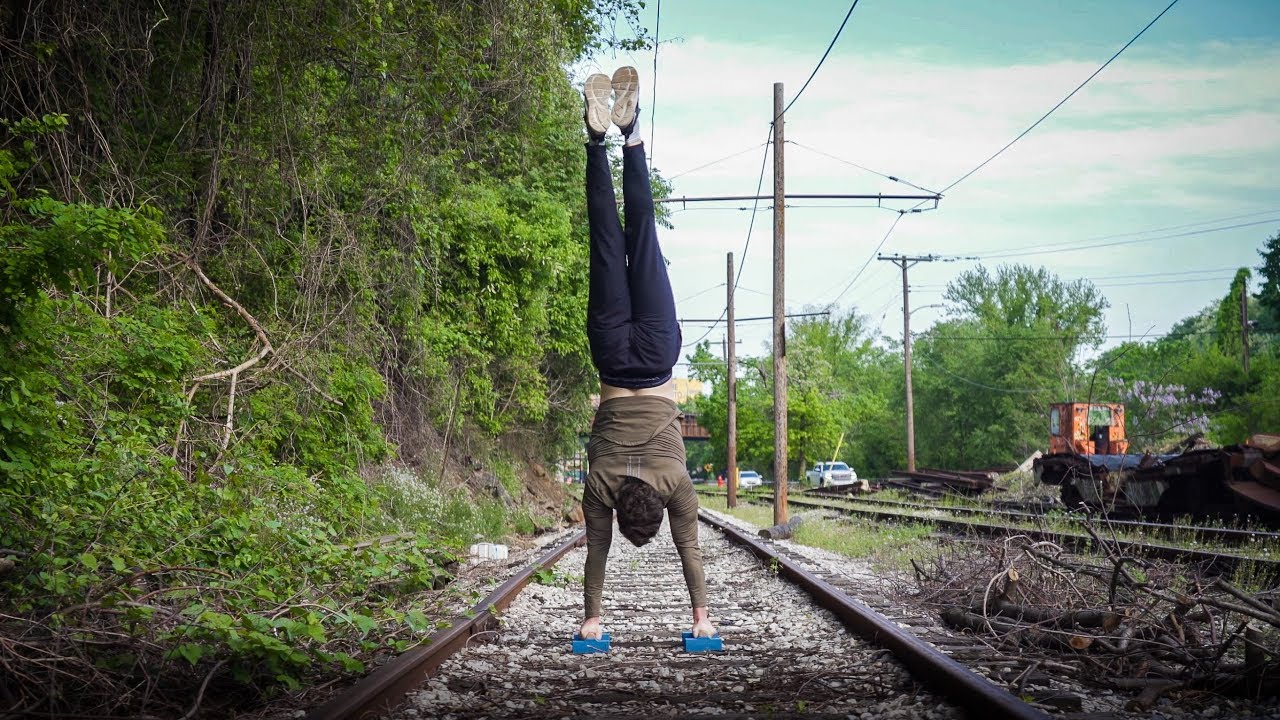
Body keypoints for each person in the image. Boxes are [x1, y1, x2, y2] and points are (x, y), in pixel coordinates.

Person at [577, 66, 716, 643]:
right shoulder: (599, 485)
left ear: (655, 503)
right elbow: (596, 557)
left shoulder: (676, 482)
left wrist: (703, 617)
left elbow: (691, 554)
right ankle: (597, 140)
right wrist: (591, 617)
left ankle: (632, 134)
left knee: (643, 236)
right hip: (613, 357)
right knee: (607, 240)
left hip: (658, 356)